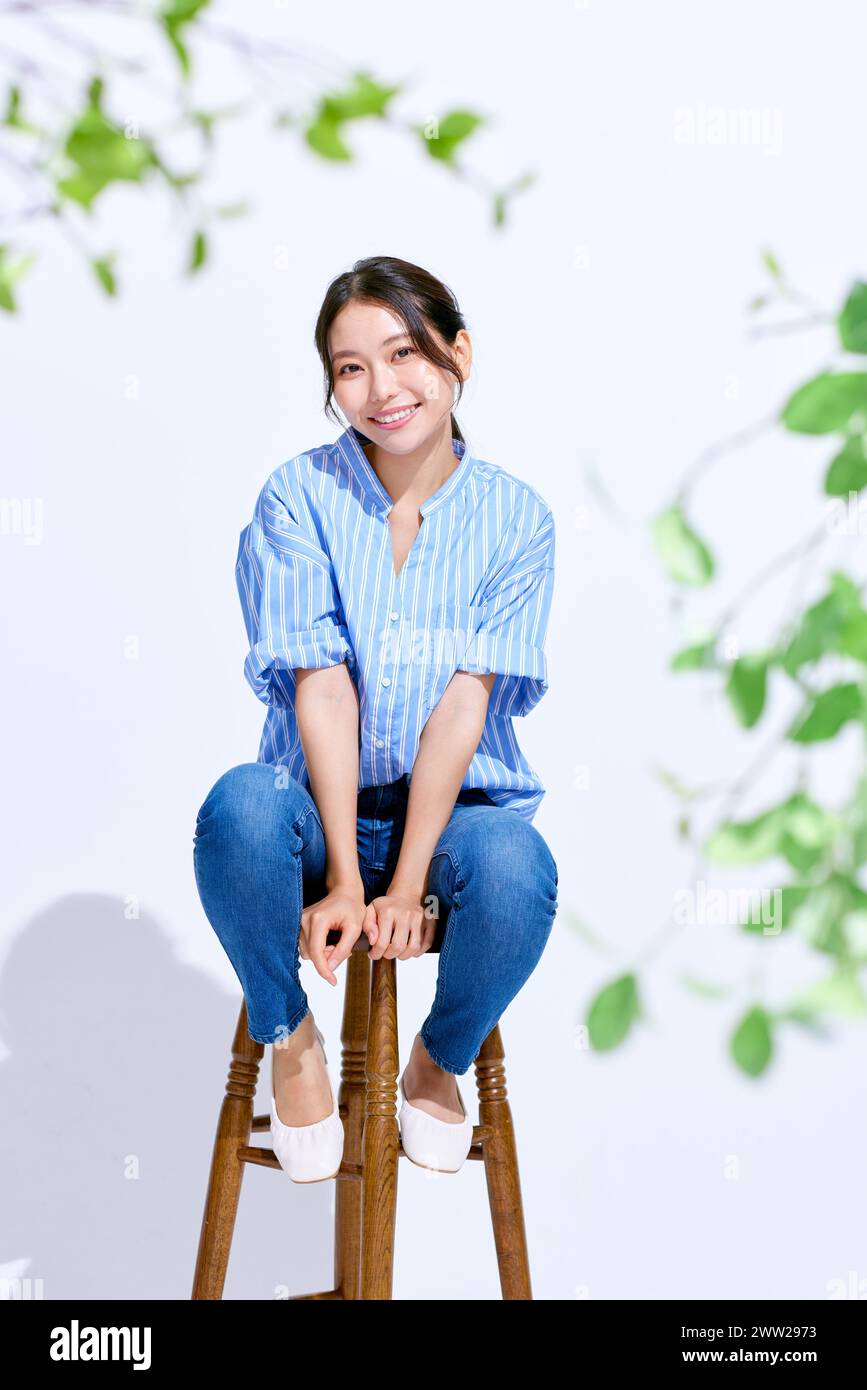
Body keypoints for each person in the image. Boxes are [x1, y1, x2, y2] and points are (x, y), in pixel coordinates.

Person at [193, 255, 558, 1181]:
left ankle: (440, 1059)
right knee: (237, 810)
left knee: (519, 871)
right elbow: (322, 685)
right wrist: (351, 882)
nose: (381, 388)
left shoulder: (516, 521)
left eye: (404, 354)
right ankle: (291, 1038)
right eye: (350, 367)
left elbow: (461, 707)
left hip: (449, 815)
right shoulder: (297, 498)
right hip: (319, 806)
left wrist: (404, 887)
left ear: (457, 355)